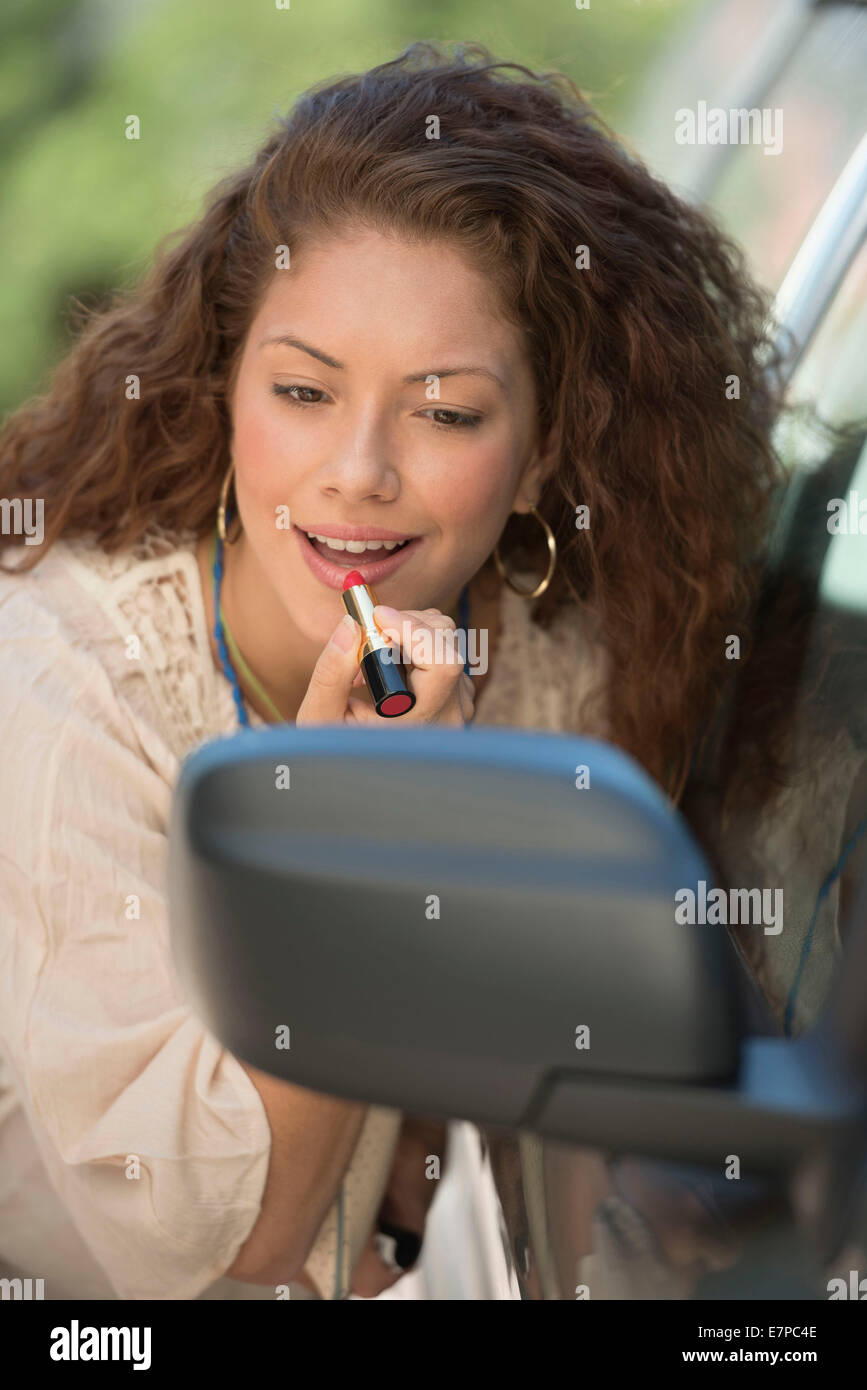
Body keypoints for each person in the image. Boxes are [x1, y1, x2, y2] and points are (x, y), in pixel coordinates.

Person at [0, 40, 858, 1300]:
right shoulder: (58, 690)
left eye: (446, 411)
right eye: (301, 390)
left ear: (545, 449)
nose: (357, 469)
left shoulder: (552, 660)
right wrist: (347, 811)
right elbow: (222, 1246)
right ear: (223, 384)